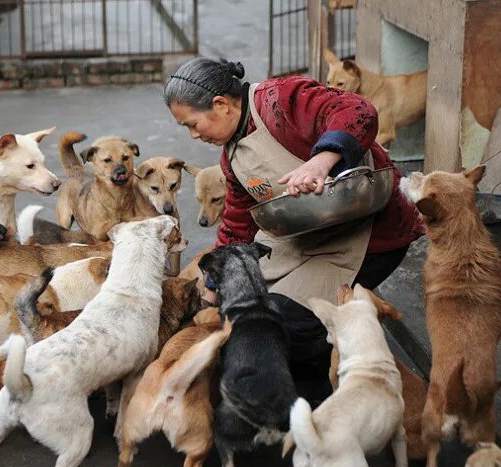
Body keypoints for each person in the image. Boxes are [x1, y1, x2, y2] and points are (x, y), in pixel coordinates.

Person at [165, 57, 424, 399]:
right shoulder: (231, 157)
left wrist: (323, 158)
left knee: (284, 324)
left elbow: (358, 111)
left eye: (192, 124)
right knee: (246, 308)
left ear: (222, 104)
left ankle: (328, 398)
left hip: (369, 232)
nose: (194, 135)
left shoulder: (281, 99)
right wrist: (214, 283)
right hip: (306, 234)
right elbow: (239, 223)